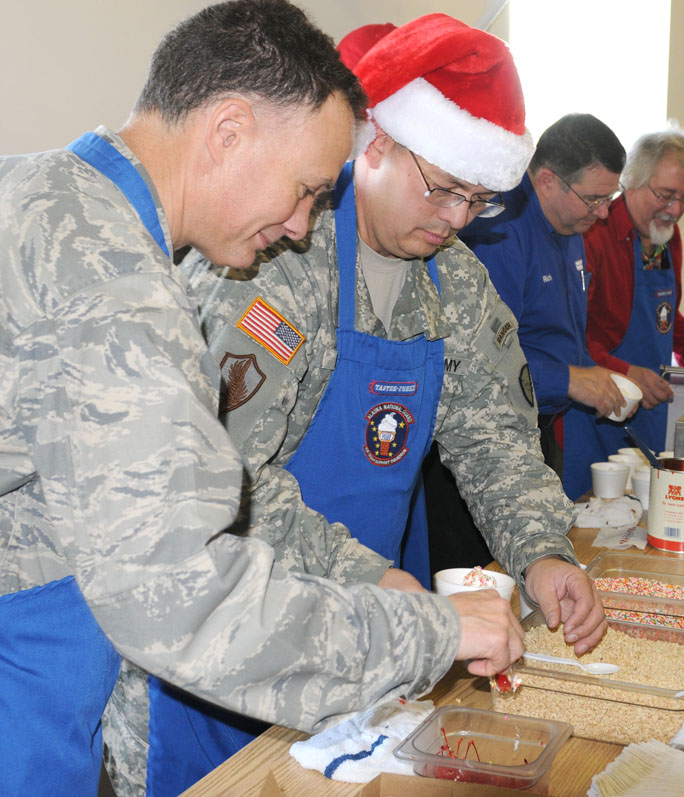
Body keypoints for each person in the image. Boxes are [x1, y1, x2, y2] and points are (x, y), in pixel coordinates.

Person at [0, 3, 525, 796]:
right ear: (230, 129)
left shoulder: (35, 186)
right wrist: (430, 631)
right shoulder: (120, 296)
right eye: (308, 188)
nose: (303, 223)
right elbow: (184, 603)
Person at [101, 14, 608, 796]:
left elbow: (494, 440)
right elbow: (224, 488)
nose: (455, 219)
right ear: (376, 144)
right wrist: (371, 580)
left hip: (371, 648)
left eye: (477, 200)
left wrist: (541, 551)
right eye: (442, 189)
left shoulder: (457, 283)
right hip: (232, 642)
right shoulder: (273, 255)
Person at [421, 113, 627, 571]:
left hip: (535, 429)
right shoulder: (501, 231)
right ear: (548, 180)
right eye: (593, 199)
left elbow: (560, 334)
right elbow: (478, 363)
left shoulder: (572, 229)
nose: (604, 213)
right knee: (482, 575)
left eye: (609, 198)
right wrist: (567, 378)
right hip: (476, 448)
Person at [562, 126, 684, 499]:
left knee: (640, 504)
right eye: (665, 195)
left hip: (648, 401)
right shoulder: (593, 235)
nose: (676, 209)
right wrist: (625, 372)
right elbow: (571, 335)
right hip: (591, 405)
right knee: (588, 506)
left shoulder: (665, 236)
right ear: (631, 180)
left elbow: (666, 311)